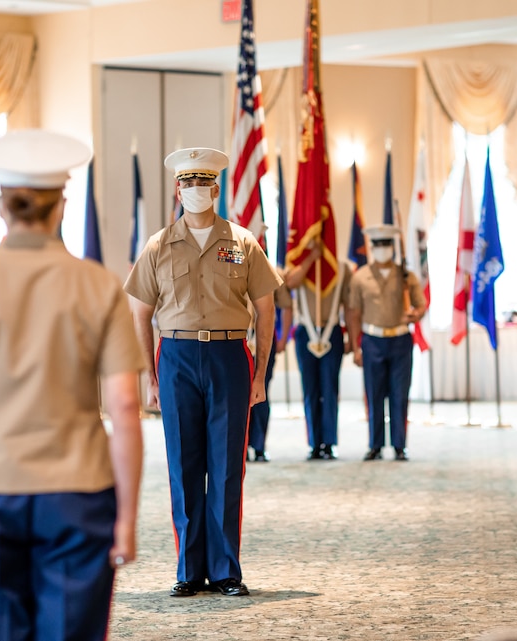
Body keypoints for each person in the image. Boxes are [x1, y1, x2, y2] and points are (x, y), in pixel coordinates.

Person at [0, 129, 145, 640]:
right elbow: (125, 407)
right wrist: (126, 520)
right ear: (61, 204)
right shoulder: (99, 285)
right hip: (79, 493)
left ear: (1, 204)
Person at [124, 147, 281, 598]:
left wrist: (260, 373)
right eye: (187, 183)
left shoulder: (243, 243)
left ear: (217, 189)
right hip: (175, 359)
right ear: (178, 189)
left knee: (228, 466)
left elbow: (266, 311)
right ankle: (190, 569)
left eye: (203, 183)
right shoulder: (157, 246)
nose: (195, 191)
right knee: (184, 465)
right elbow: (140, 314)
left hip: (231, 357)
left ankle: (226, 569)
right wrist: (149, 378)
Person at [346, 224, 426, 462]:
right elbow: (353, 313)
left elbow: (420, 304)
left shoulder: (406, 275)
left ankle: (400, 445)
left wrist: (416, 314)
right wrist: (355, 345)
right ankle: (375, 444)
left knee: (399, 394)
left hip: (400, 339)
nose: (383, 250)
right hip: (372, 341)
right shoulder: (361, 277)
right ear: (372, 248)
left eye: (386, 245)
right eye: (378, 246)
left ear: (392, 248)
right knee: (374, 394)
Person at [285, 239, 351, 460]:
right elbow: (291, 283)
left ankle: (329, 442)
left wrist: (352, 336)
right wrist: (310, 260)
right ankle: (314, 442)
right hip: (306, 332)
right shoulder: (297, 267)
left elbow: (349, 307)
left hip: (331, 331)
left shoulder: (340, 269)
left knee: (330, 389)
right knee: (310, 390)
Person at [247, 275, 293, 462]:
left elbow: (286, 305)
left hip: (264, 338)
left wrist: (284, 338)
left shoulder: (272, 273)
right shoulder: (227, 263)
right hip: (237, 336)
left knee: (260, 392)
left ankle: (259, 446)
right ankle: (242, 446)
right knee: (236, 397)